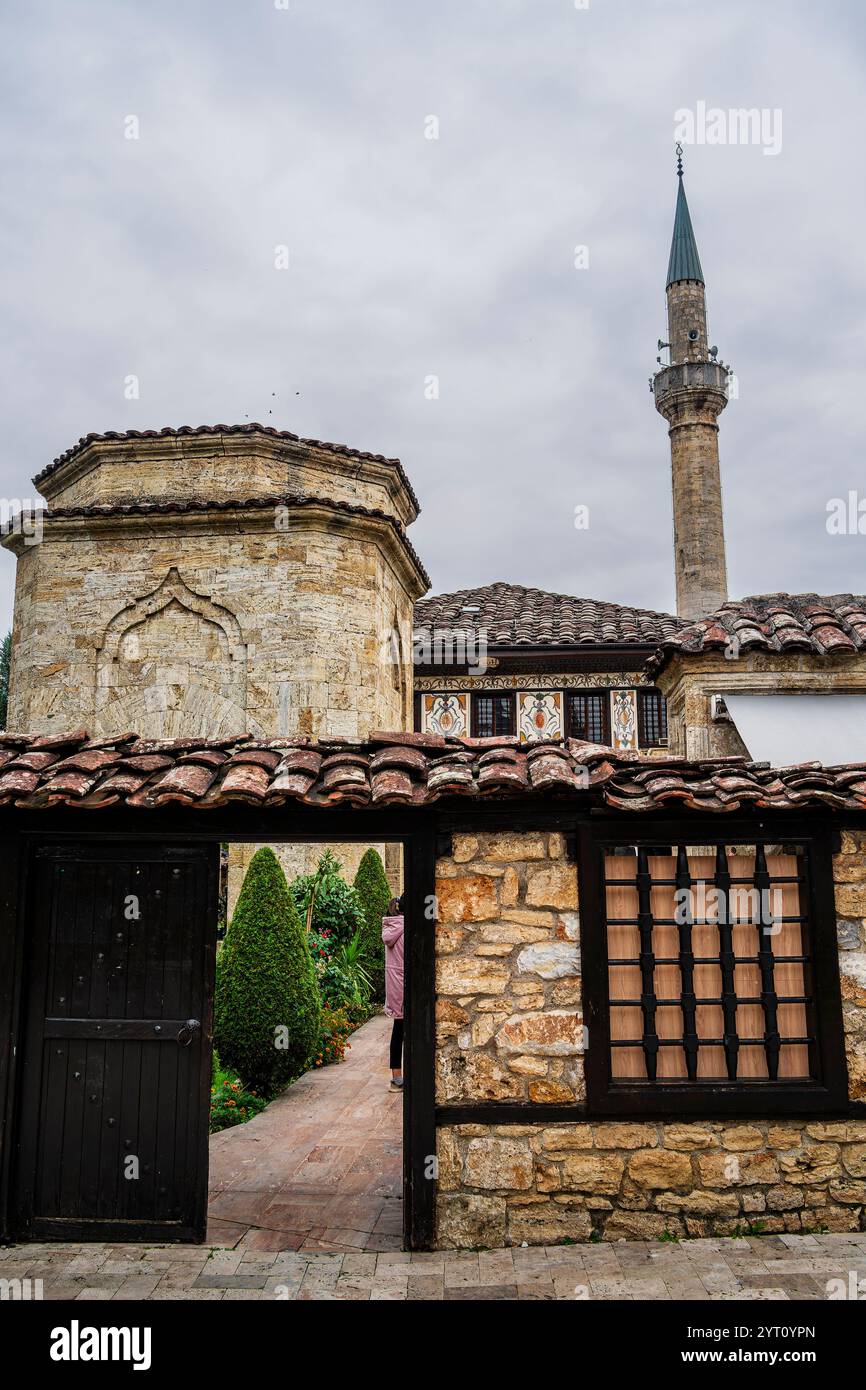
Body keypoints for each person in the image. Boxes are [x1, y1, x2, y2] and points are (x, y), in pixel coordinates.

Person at [382, 895, 404, 1092]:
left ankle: (396, 1078)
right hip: (405, 989)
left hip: (394, 989)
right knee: (408, 1032)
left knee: (398, 1031)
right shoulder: (406, 930)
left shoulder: (390, 927)